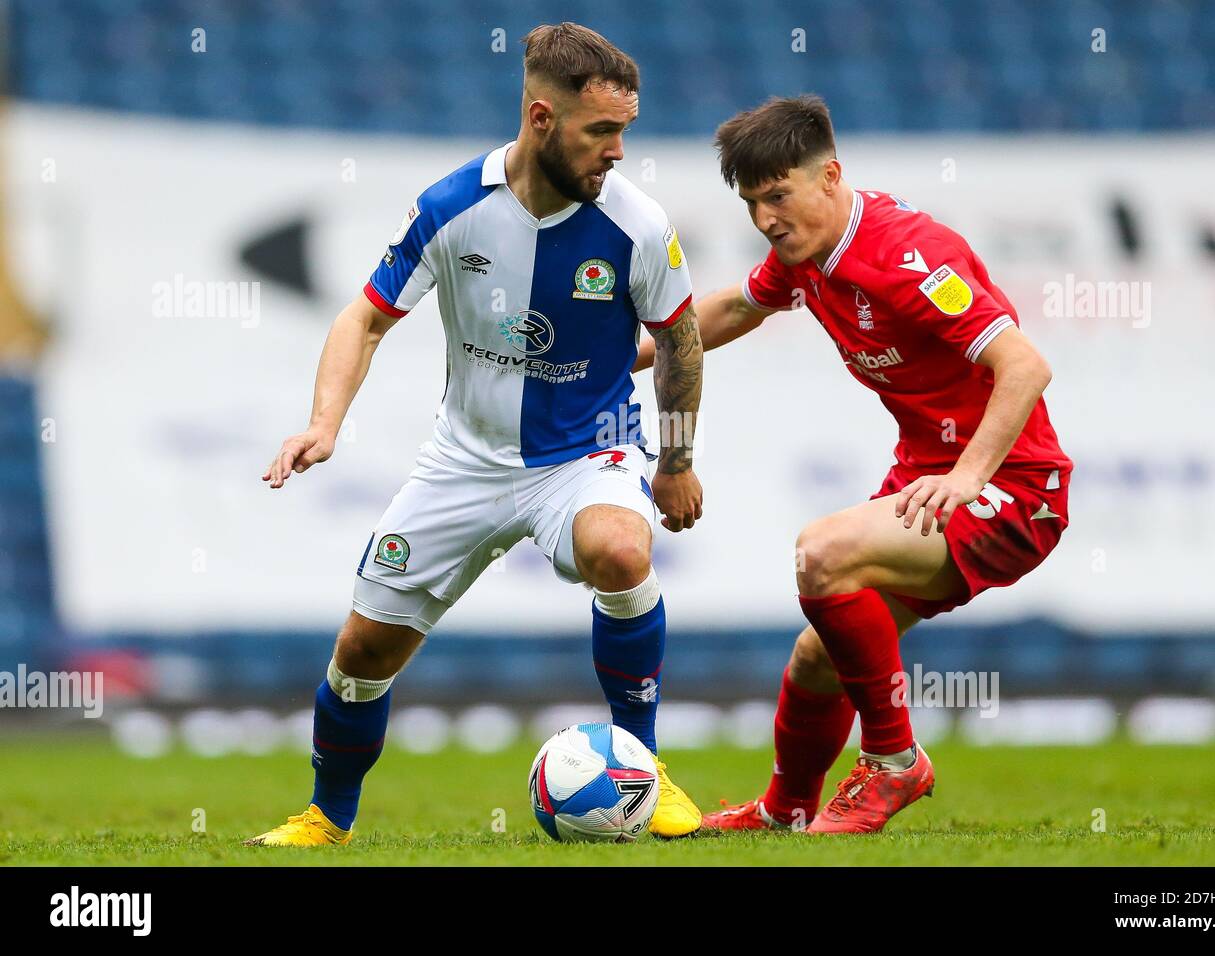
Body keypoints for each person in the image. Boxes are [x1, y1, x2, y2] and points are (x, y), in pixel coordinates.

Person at [247, 23, 705, 846]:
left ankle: (648, 762)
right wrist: (325, 422)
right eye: (601, 132)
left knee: (622, 553)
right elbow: (364, 318)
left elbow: (679, 339)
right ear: (541, 118)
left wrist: (674, 461)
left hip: (586, 452)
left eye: (624, 132)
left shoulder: (637, 225)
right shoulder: (451, 207)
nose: (618, 152)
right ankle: (328, 814)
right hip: (464, 460)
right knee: (361, 653)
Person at [633, 95, 1071, 834]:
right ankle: (785, 813)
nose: (767, 218)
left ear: (829, 176)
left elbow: (1024, 366)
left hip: (1013, 489)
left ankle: (897, 763)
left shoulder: (909, 255)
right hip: (927, 482)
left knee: (821, 554)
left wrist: (966, 477)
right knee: (817, 660)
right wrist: (622, 361)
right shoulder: (806, 257)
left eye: (779, 196)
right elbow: (736, 309)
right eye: (751, 203)